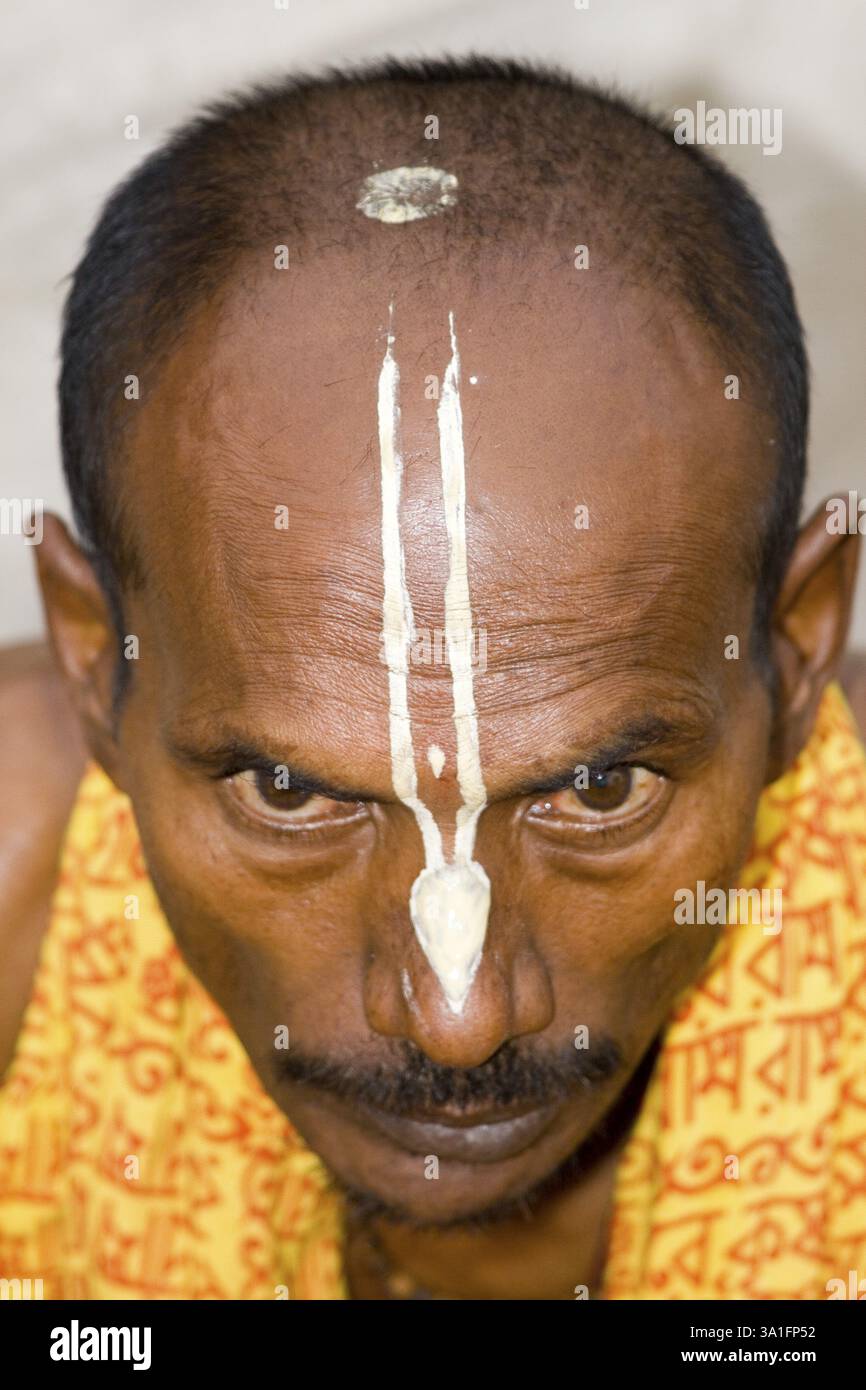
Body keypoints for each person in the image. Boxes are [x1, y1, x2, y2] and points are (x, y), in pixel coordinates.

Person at [1, 57, 864, 1301]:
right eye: (290, 793)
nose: (457, 1016)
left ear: (791, 655)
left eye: (600, 787)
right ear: (95, 659)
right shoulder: (25, 890)